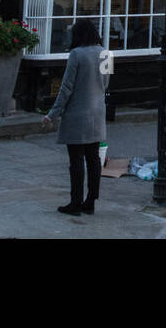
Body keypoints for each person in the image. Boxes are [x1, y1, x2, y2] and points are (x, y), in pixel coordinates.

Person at [41, 19, 109, 216]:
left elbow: (66, 88)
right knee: (94, 158)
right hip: (98, 112)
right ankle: (91, 200)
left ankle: (75, 202)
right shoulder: (106, 53)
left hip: (78, 113)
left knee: (76, 160)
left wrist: (52, 114)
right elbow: (105, 83)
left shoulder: (76, 54)